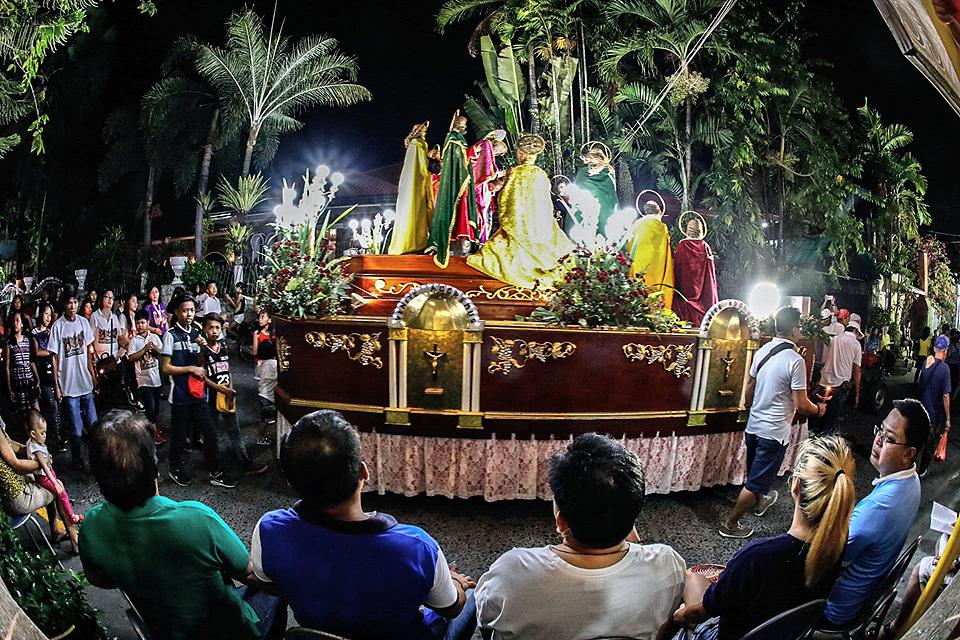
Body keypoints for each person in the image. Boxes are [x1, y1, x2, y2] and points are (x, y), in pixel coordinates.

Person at [251, 410, 475, 639]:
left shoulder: (269, 529)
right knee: (470, 600)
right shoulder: (418, 548)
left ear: (290, 482)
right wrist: (456, 583)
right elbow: (451, 607)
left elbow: (268, 583)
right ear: (363, 471)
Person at [80, 410, 283, 640]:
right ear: (155, 466)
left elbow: (98, 578)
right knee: (276, 593)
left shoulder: (92, 526)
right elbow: (249, 573)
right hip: (230, 632)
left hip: (165, 630)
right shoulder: (196, 519)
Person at [475, 432, 685, 639]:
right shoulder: (668, 563)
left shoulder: (514, 570)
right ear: (634, 515)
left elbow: (485, 618)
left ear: (561, 522)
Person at [673, 436, 855, 640]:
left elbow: (701, 612)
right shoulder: (837, 541)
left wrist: (679, 615)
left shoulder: (757, 557)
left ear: (796, 486)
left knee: (690, 580)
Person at [822, 399, 930, 627]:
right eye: (880, 430)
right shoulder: (912, 481)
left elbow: (823, 555)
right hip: (865, 595)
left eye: (889, 439)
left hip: (835, 608)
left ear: (909, 454)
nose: (878, 440)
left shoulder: (880, 507)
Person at [720, 306, 826, 539]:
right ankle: (730, 524)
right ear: (796, 329)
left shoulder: (763, 350)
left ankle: (761, 502)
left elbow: (749, 388)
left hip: (754, 427)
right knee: (756, 481)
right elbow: (802, 405)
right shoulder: (795, 360)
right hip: (773, 431)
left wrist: (753, 409)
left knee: (755, 474)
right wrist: (819, 409)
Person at [467, 134, 574, 289]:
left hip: (517, 225)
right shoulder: (541, 175)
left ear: (520, 153)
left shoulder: (515, 173)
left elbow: (507, 200)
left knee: (495, 255)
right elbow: (545, 204)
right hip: (542, 227)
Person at [160, 293, 233, 488]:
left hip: (198, 394)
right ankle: (174, 468)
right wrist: (190, 369)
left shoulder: (196, 332)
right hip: (180, 396)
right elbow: (166, 367)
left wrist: (202, 349)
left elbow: (201, 364)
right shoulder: (170, 335)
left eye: (192, 310)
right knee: (179, 436)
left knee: (210, 432)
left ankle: (215, 472)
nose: (189, 314)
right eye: (185, 310)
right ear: (177, 312)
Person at [200, 313, 267, 476]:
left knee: (234, 430)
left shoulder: (222, 347)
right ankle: (214, 468)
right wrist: (224, 390)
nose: (215, 331)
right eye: (211, 327)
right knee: (212, 434)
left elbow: (227, 370)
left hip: (227, 396)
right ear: (205, 329)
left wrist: (230, 389)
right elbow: (203, 378)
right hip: (211, 399)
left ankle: (244, 462)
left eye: (217, 327)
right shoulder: (201, 352)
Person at [0, 415, 76, 548]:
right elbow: (16, 464)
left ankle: (56, 530)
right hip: (17, 495)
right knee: (58, 486)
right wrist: (43, 462)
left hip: (18, 482)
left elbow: (10, 444)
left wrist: (34, 450)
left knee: (49, 482)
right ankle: (74, 538)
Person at [48, 294, 98, 469]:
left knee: (94, 425)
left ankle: (96, 459)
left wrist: (93, 375)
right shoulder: (58, 326)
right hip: (68, 386)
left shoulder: (84, 323)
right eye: (69, 302)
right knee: (76, 429)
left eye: (75, 302)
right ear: (64, 305)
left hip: (85, 383)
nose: (73, 306)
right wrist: (57, 385)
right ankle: (77, 460)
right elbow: (53, 358)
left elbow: (90, 351)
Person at [426, 112, 477, 267]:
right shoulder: (453, 138)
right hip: (456, 180)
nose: (465, 127)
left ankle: (461, 244)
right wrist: (470, 156)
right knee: (455, 208)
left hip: (460, 180)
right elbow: (457, 157)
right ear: (457, 125)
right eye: (463, 124)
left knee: (461, 210)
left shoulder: (457, 138)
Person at [25, 411, 83, 538]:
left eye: (45, 432)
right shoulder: (37, 448)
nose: (45, 436)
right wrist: (55, 482)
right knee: (61, 491)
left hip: (47, 474)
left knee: (59, 491)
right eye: (42, 433)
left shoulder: (31, 442)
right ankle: (71, 516)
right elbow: (44, 467)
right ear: (33, 434)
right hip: (44, 477)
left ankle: (61, 527)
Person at [811, 310, 862, 434]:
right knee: (831, 420)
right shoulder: (856, 344)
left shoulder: (834, 338)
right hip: (840, 386)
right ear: (855, 331)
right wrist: (857, 394)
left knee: (818, 416)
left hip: (823, 382)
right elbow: (857, 370)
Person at [388, 121, 435, 255]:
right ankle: (416, 243)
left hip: (412, 184)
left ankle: (407, 243)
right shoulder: (419, 144)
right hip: (418, 184)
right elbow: (423, 164)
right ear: (418, 132)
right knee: (417, 211)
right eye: (423, 131)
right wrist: (436, 165)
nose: (424, 133)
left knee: (410, 210)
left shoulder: (412, 145)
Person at [627, 199, 674, 309]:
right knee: (655, 288)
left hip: (638, 264)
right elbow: (665, 246)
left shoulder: (636, 225)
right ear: (658, 211)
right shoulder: (661, 227)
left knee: (639, 287)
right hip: (656, 265)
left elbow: (630, 244)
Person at [128, 309, 166, 446]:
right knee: (150, 406)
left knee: (155, 408)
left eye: (142, 322)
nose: (140, 326)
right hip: (143, 380)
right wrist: (144, 349)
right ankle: (154, 433)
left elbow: (162, 351)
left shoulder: (154, 337)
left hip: (155, 379)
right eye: (137, 323)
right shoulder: (134, 341)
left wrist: (155, 349)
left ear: (147, 322)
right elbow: (131, 357)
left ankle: (152, 427)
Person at [32, 302, 64, 452]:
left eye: (50, 315)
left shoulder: (52, 332)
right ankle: (50, 437)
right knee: (50, 406)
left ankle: (58, 436)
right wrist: (51, 351)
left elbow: (57, 353)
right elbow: (36, 352)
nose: (48, 317)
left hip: (53, 372)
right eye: (46, 314)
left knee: (56, 405)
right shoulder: (34, 333)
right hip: (41, 373)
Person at [917, 335, 951, 475]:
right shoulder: (945, 369)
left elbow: (919, 382)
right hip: (934, 415)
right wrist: (948, 418)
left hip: (921, 411)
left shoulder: (927, 362)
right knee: (928, 445)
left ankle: (907, 467)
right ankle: (922, 471)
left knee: (917, 440)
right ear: (946, 350)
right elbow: (945, 395)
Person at [5, 311, 41, 414]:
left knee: (35, 411)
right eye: (14, 321)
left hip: (29, 381)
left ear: (22, 324)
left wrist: (37, 379)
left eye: (17, 320)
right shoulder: (9, 343)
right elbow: (7, 366)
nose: (15, 323)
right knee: (24, 414)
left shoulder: (27, 340)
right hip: (17, 382)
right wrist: (9, 387)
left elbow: (31, 361)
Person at [252, 309, 277, 447]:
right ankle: (260, 437)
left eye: (263, 317)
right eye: (259, 317)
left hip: (265, 366)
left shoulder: (273, 334)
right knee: (265, 414)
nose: (260, 319)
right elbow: (255, 351)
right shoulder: (257, 333)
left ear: (269, 319)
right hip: (263, 363)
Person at [89, 289, 119, 362]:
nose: (110, 300)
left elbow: (118, 336)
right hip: (100, 359)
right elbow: (89, 338)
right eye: (107, 297)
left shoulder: (114, 317)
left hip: (114, 358)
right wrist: (93, 355)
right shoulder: (95, 316)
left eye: (112, 298)